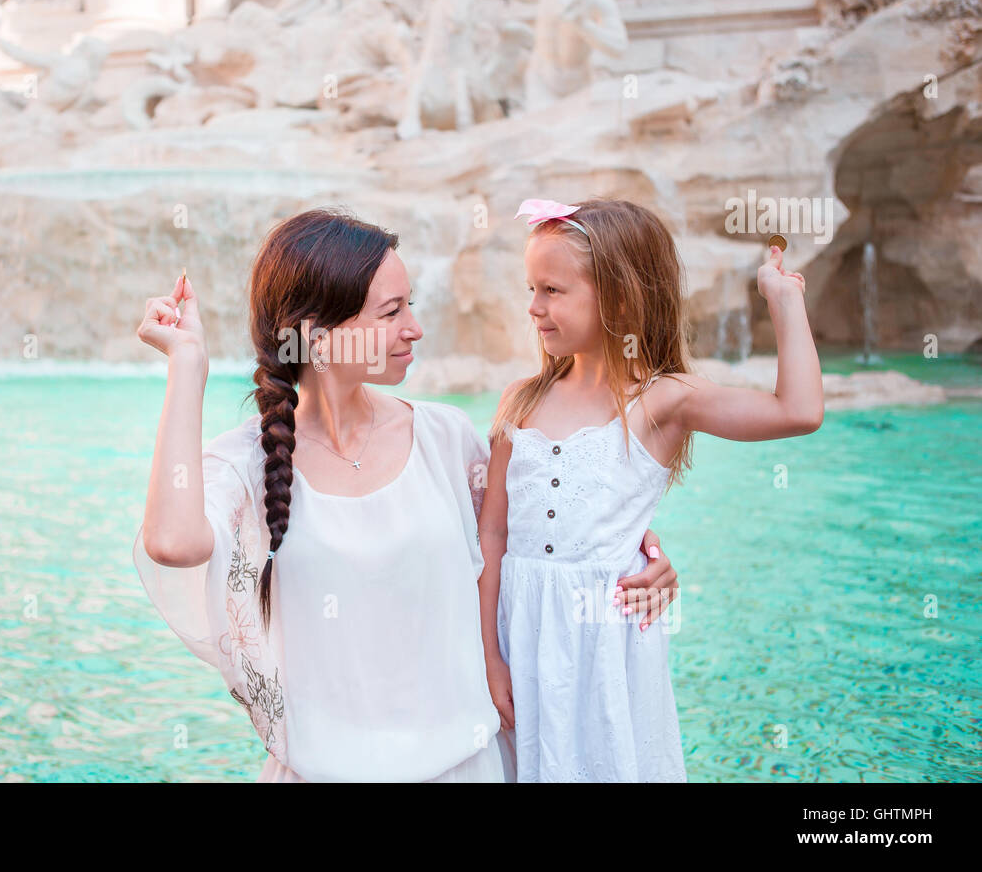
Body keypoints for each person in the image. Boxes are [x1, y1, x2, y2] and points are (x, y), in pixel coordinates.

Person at [133, 207, 681, 781]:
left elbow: (552, 543)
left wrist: (643, 563)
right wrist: (187, 364)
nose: (415, 327)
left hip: (464, 767)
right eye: (392, 311)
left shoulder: (448, 441)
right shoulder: (250, 462)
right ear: (315, 336)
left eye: (411, 304)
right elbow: (171, 542)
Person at [479, 197, 823, 781]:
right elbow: (492, 532)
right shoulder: (523, 398)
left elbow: (798, 411)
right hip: (522, 632)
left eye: (553, 291)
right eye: (531, 289)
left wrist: (784, 301)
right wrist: (491, 657)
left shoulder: (662, 399)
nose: (534, 308)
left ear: (617, 296)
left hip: (604, 641)